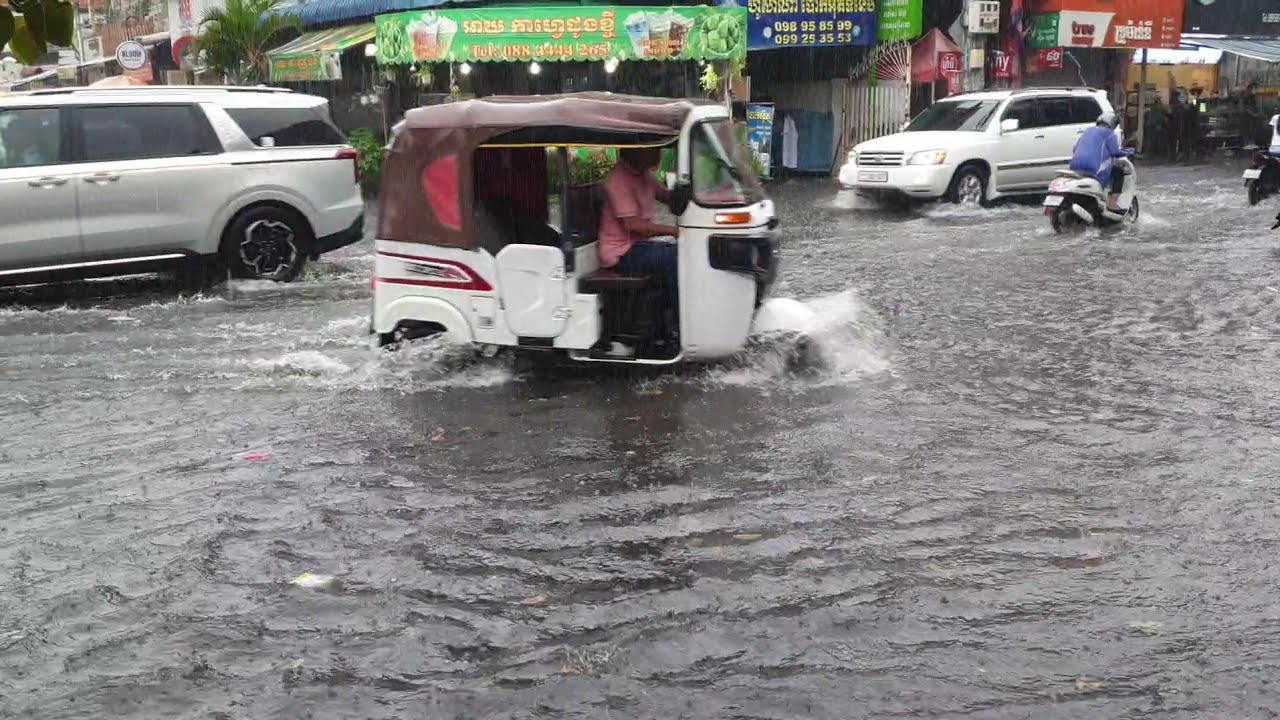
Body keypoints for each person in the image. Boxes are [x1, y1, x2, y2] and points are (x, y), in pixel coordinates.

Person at [598, 146, 678, 352]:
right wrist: (674, 230)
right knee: (673, 257)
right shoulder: (618, 180)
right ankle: (677, 327)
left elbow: (667, 197)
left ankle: (665, 324)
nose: (658, 153)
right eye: (653, 148)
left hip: (638, 246)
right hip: (620, 252)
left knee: (681, 251)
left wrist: (689, 194)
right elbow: (634, 225)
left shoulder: (644, 175)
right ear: (635, 150)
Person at [1069, 112, 1129, 213]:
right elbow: (1115, 152)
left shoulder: (1087, 131)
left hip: (1074, 166)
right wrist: (1129, 151)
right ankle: (1112, 204)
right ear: (1112, 123)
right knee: (1118, 172)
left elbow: (1075, 149)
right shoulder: (1109, 134)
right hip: (1092, 167)